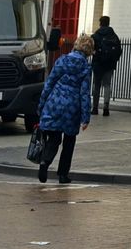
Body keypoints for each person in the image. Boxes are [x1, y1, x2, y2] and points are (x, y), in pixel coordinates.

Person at [36, 32, 93, 184]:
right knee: (69, 141)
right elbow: (85, 94)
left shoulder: (61, 60)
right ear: (89, 51)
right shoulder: (85, 67)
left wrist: (41, 106)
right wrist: (85, 117)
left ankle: (45, 162)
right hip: (72, 107)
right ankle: (63, 174)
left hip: (55, 102)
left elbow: (49, 83)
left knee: (54, 138)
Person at [89, 16, 122, 117]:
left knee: (96, 85)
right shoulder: (114, 36)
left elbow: (90, 49)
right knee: (107, 85)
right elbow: (119, 50)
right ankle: (106, 108)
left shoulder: (95, 36)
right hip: (109, 64)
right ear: (108, 23)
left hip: (98, 64)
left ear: (100, 23)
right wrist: (114, 60)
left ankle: (95, 107)